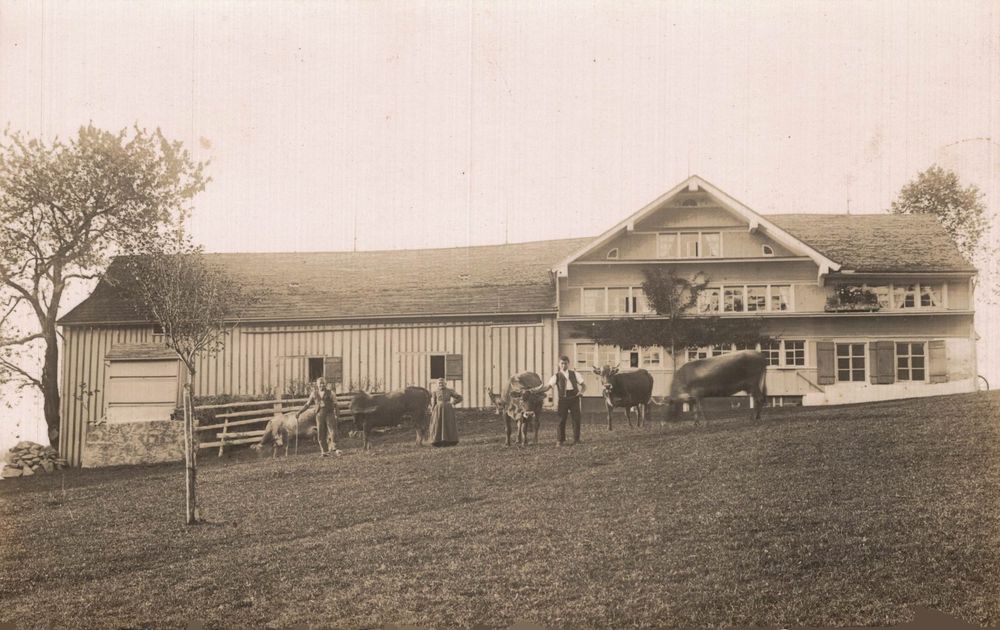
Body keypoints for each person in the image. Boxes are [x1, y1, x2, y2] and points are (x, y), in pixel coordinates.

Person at [533, 355, 587, 446]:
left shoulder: (575, 374)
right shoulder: (556, 376)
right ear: (559, 364)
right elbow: (547, 387)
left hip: (574, 398)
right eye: (562, 363)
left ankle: (576, 440)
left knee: (576, 419)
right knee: (561, 420)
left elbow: (584, 386)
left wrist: (581, 392)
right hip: (563, 400)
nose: (563, 365)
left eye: (565, 363)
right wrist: (536, 390)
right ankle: (560, 440)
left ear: (568, 364)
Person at [296, 377, 341, 457]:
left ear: (326, 384)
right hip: (319, 415)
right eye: (320, 383)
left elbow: (335, 405)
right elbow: (307, 404)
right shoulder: (314, 393)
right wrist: (299, 412)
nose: (321, 385)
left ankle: (335, 448)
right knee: (321, 432)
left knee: (333, 431)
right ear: (317, 384)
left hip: (329, 414)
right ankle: (324, 452)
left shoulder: (331, 393)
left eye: (323, 383)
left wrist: (337, 415)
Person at [428, 378, 462, 447]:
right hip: (438, 410)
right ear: (437, 384)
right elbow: (434, 402)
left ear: (445, 384)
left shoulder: (450, 391)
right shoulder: (435, 392)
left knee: (448, 423)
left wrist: (453, 403)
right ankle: (437, 441)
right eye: (439, 383)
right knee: (437, 424)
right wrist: (432, 410)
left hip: (448, 410)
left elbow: (459, 397)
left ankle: (450, 441)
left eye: (442, 383)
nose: (441, 384)